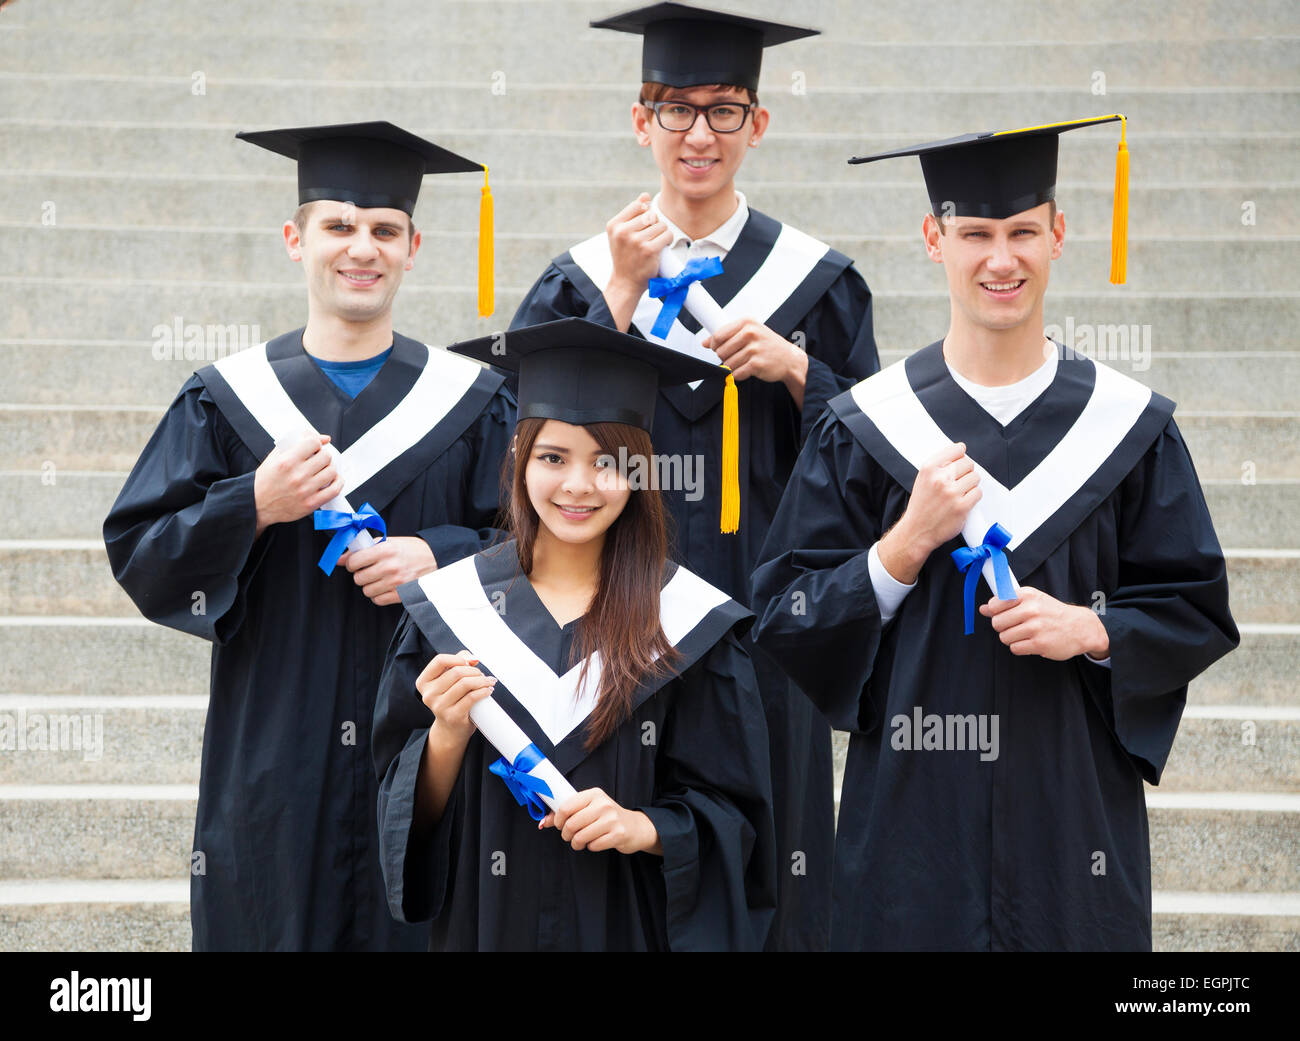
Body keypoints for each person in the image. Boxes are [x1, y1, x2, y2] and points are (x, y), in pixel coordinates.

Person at [750, 115, 1240, 951]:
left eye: (1021, 232)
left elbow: (1196, 610)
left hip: (1072, 827)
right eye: (975, 233)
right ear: (934, 239)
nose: (1001, 258)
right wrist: (901, 547)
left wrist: (1092, 629)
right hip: (909, 831)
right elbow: (783, 612)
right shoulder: (867, 428)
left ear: (1058, 235)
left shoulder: (1127, 430)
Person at [509, 1, 878, 951]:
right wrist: (622, 298)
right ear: (642, 123)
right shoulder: (580, 280)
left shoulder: (817, 284)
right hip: (617, 624)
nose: (699, 132)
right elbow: (522, 455)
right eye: (675, 108)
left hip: (767, 626)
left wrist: (802, 374)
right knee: (628, 860)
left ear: (758, 124)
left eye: (724, 109)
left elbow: (880, 465)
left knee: (778, 868)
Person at [103, 121, 516, 951]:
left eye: (383, 230)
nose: (361, 247)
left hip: (424, 744)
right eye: (338, 225)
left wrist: (440, 553)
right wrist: (249, 502)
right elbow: (143, 555)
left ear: (412, 246)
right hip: (273, 747)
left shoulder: (472, 402)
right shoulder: (226, 399)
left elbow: (543, 546)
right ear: (296, 239)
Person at [372, 317, 777, 951]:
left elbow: (734, 818)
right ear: (519, 459)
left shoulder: (689, 624)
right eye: (553, 458)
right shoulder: (451, 611)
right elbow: (405, 821)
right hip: (487, 924)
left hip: (628, 923)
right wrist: (447, 735)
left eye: (606, 463)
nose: (579, 486)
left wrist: (643, 826)